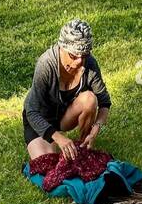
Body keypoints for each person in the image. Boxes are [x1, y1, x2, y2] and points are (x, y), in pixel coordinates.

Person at [23, 19, 111, 162]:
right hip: (41, 118)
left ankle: (83, 145)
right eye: (73, 56)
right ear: (61, 48)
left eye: (83, 56)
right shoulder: (46, 64)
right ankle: (55, 141)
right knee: (46, 162)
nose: (78, 62)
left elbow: (104, 102)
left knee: (90, 99)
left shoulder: (89, 63)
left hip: (65, 116)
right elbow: (31, 111)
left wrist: (96, 128)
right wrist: (58, 138)